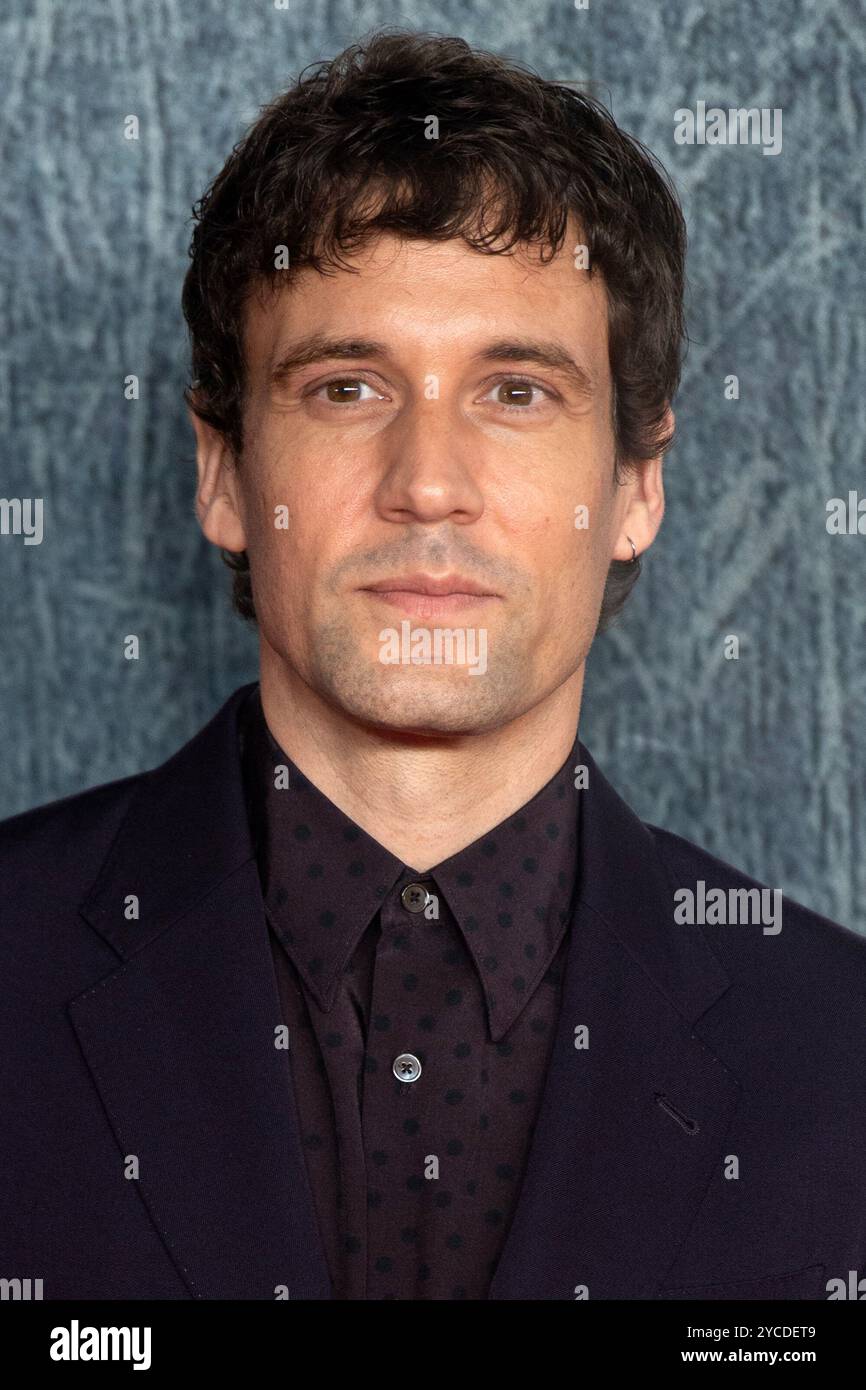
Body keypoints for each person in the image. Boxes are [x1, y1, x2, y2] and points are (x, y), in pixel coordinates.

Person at [2, 29, 864, 1302]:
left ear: (635, 485)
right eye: (347, 386)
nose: (427, 486)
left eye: (515, 393)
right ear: (223, 470)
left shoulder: (839, 1058)